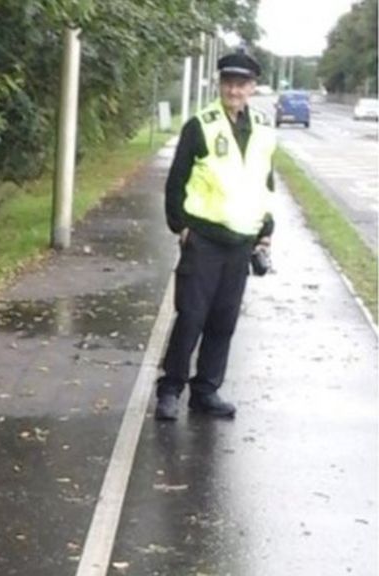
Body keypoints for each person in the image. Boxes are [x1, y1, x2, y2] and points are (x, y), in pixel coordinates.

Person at [155, 50, 276, 421]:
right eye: (228, 82)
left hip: (241, 241)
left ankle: (206, 390)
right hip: (204, 239)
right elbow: (176, 181)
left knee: (223, 321)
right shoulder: (200, 125)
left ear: (252, 88)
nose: (233, 89)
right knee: (191, 316)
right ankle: (170, 389)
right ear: (220, 83)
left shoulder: (263, 128)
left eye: (241, 84)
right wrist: (181, 226)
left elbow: (264, 183)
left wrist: (265, 230)